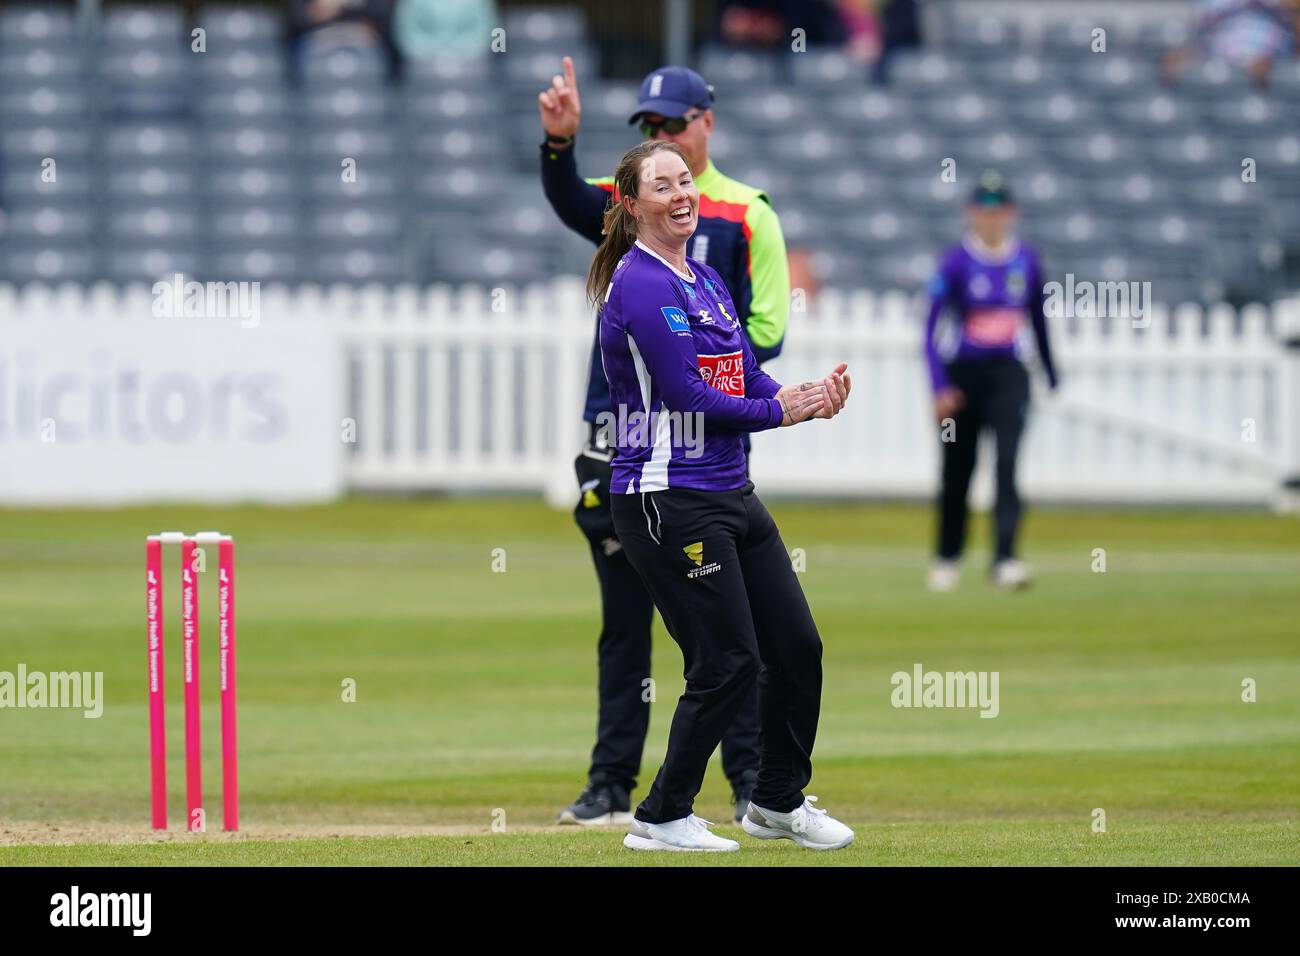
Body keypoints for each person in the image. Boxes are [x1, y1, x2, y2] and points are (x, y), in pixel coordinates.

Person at [539, 59, 790, 826]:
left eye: (673, 123)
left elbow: (771, 329)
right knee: (624, 627)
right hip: (622, 441)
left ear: (706, 120)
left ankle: (749, 786)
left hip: (706, 454)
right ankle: (611, 785)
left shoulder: (747, 214)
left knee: (729, 637)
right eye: (649, 127)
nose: (661, 136)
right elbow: (567, 199)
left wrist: (693, 355)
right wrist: (559, 145)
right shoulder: (635, 206)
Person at [590, 139, 854, 851]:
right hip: (664, 499)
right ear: (632, 204)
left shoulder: (704, 278)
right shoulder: (639, 284)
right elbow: (687, 396)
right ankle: (660, 817)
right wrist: (783, 413)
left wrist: (800, 395)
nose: (681, 194)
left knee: (797, 647)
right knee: (728, 661)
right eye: (663, 186)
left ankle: (774, 801)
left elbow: (740, 373)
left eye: (686, 182)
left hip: (731, 491)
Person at [923, 170, 1058, 593]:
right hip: (964, 376)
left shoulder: (1027, 260)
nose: (992, 219)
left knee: (1007, 464)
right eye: (984, 210)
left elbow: (1038, 320)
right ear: (971, 213)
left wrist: (1052, 373)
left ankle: (1005, 558)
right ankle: (947, 557)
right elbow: (929, 329)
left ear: (1011, 214)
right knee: (957, 470)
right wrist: (940, 385)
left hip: (1009, 375)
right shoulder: (956, 261)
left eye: (999, 211)